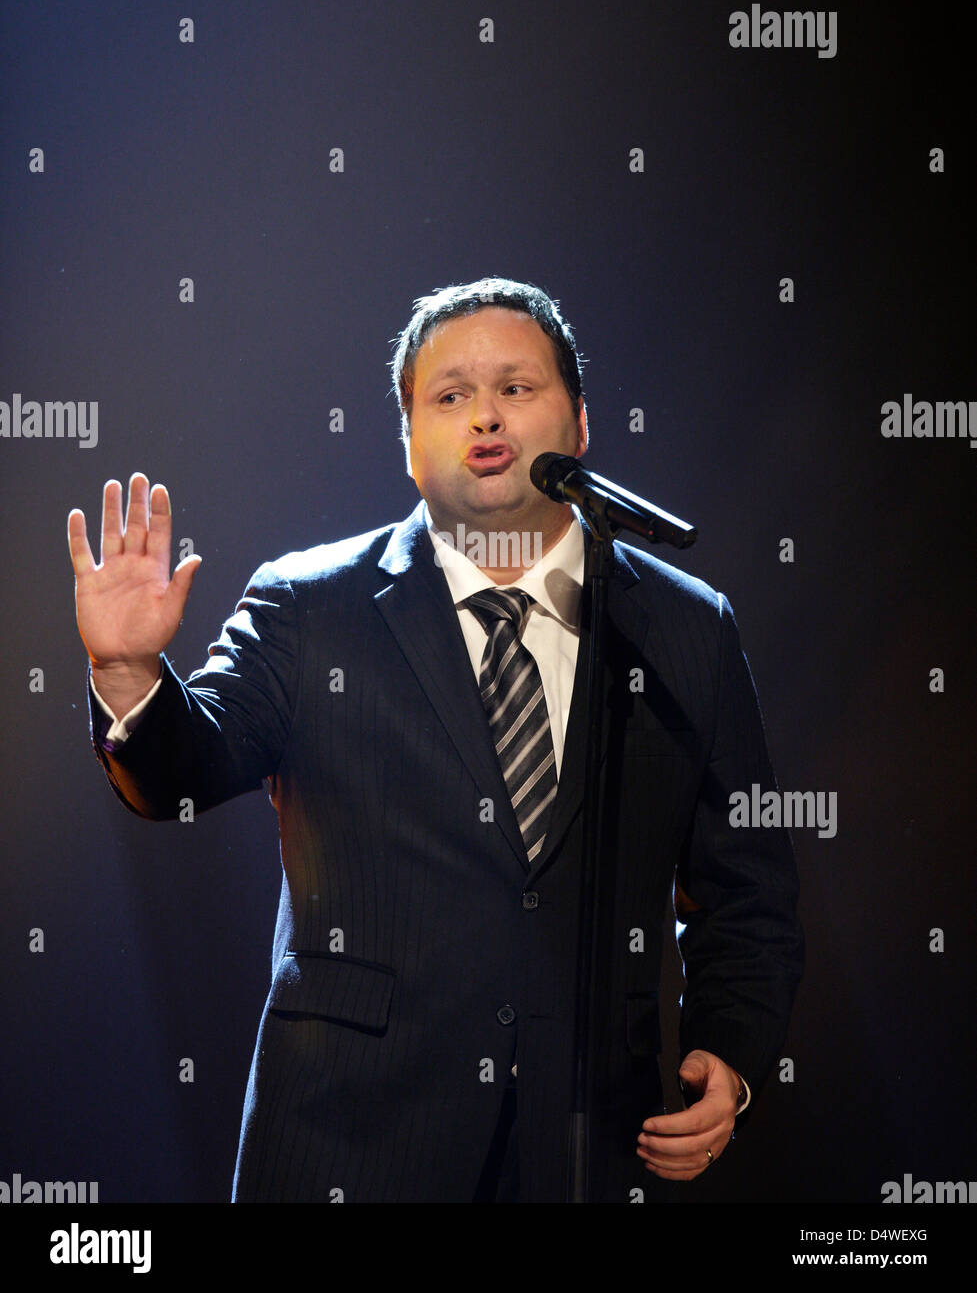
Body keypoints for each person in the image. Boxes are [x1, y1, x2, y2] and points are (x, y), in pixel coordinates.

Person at [68, 277, 803, 1203]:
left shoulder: (683, 627)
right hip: (350, 1144)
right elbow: (185, 771)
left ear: (579, 424)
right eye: (449, 397)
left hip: (590, 1144)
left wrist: (730, 1057)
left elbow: (747, 890)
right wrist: (130, 675)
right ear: (408, 444)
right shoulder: (310, 605)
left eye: (516, 389)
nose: (484, 418)